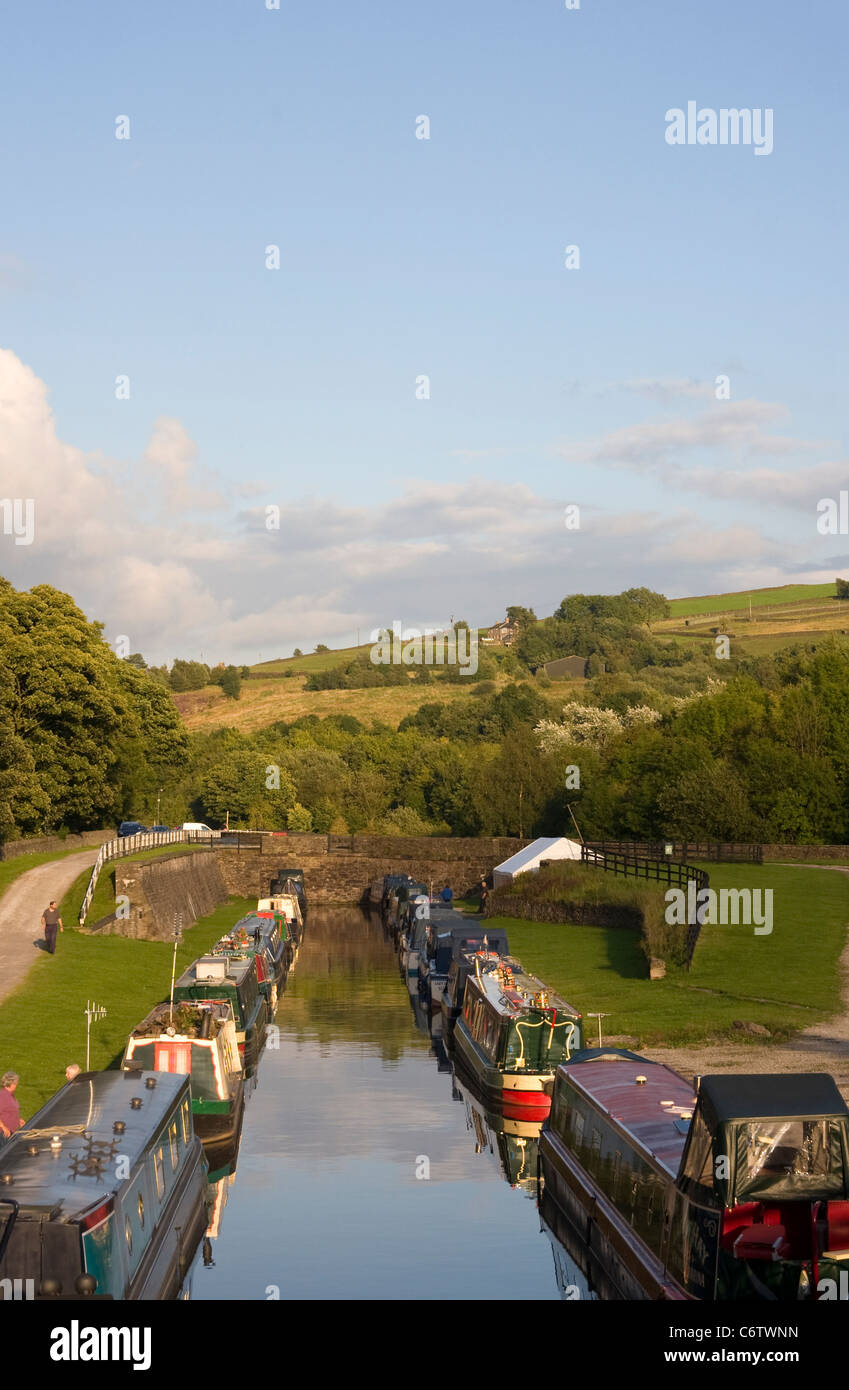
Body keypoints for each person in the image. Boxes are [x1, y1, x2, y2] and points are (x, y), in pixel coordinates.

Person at [0, 1072, 25, 1140]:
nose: (17, 1084)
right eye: (16, 1082)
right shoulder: (2, 1096)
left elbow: (10, 1110)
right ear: (12, 1084)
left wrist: (18, 1120)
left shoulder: (10, 1095)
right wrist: (3, 1127)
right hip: (3, 1134)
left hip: (11, 1132)